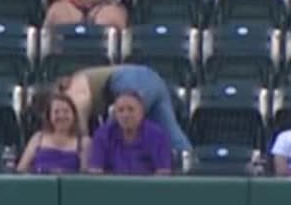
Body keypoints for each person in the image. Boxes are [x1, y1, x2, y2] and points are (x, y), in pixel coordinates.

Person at [56, 64, 192, 153]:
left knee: (111, 134)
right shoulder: (82, 80)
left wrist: (83, 146)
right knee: (174, 142)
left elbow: (80, 119)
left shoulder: (73, 89)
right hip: (151, 77)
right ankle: (194, 171)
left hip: (130, 80)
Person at [86, 90, 174, 176]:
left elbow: (163, 172)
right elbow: (95, 172)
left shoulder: (157, 136)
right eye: (120, 110)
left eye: (131, 109)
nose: (125, 115)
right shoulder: (102, 135)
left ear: (142, 112)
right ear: (114, 114)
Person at [17, 94, 89, 174]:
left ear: (74, 115)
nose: (61, 116)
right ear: (49, 116)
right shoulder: (38, 138)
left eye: (66, 111)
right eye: (56, 112)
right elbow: (21, 169)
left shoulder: (84, 143)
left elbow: (85, 174)